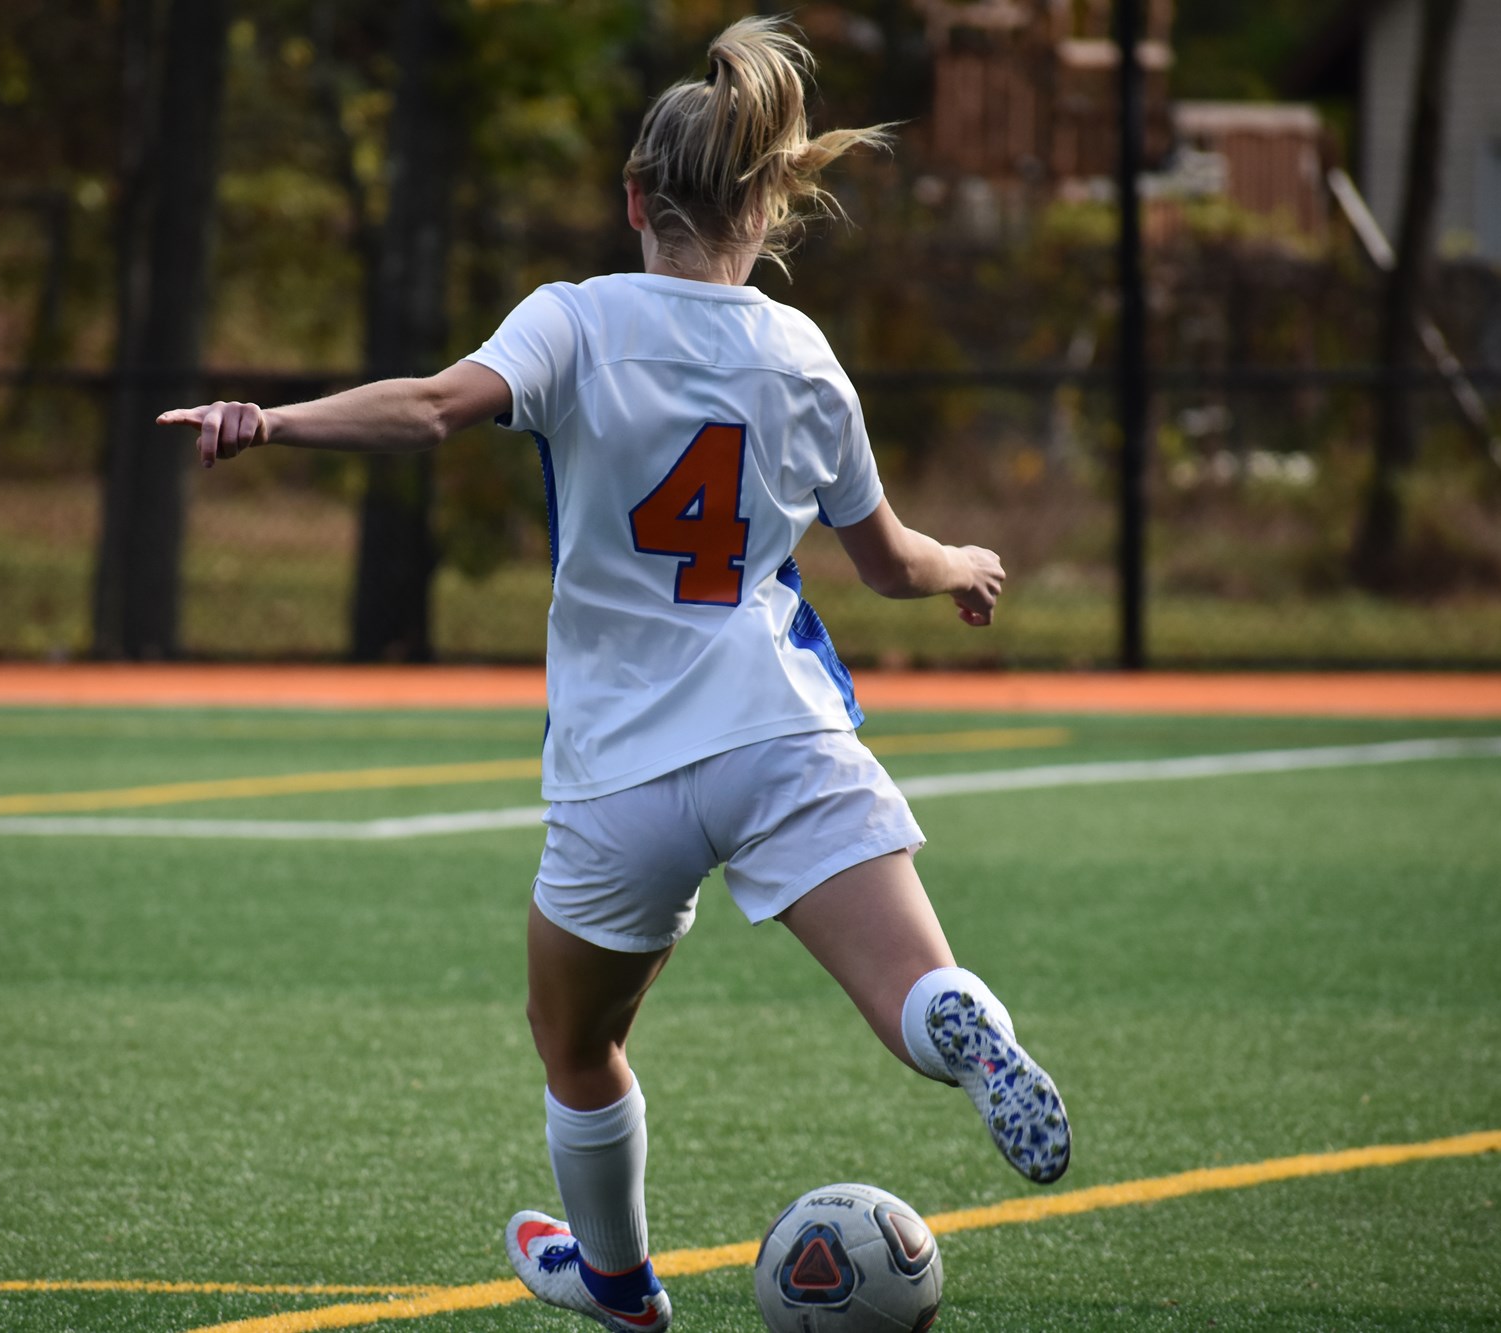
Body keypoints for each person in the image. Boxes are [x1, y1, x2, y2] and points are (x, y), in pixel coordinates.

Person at [161, 18, 1069, 1331]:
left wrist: (270, 421)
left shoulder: (574, 321)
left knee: (579, 1044)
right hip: (780, 733)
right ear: (764, 206)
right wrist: (964, 564)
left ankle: (624, 1287)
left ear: (636, 200)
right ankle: (966, 1032)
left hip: (618, 771)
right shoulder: (804, 357)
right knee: (914, 988)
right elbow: (886, 563)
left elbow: (427, 410)